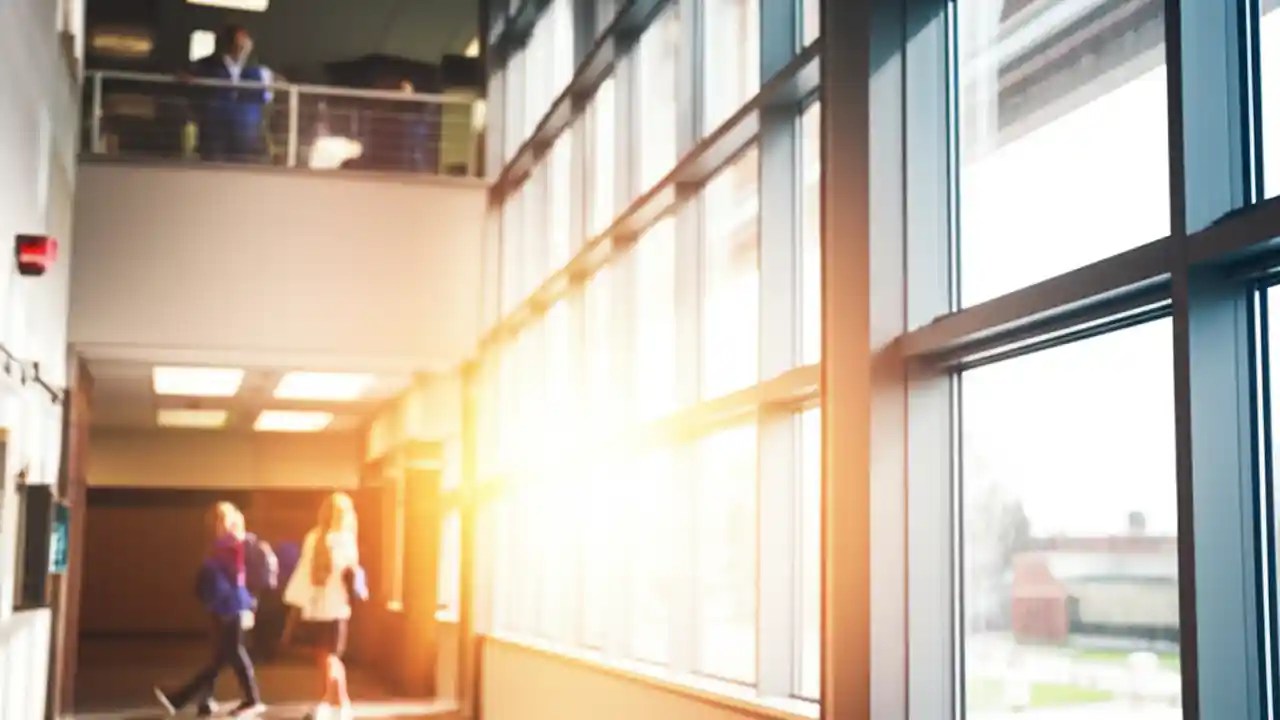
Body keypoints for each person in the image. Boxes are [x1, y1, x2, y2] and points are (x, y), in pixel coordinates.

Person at [154, 502, 268, 718]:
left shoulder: (230, 544)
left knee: (231, 653)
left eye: (221, 519)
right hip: (228, 604)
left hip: (229, 605)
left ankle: (250, 699)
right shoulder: (229, 543)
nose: (217, 524)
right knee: (223, 655)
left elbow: (234, 577)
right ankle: (196, 699)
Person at [284, 492, 368, 720]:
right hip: (338, 607)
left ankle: (332, 704)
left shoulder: (313, 537)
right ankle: (336, 705)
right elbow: (351, 575)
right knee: (331, 658)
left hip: (315, 607)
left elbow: (303, 573)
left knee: (324, 658)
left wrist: (296, 603)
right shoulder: (347, 540)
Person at [189, 24, 273, 163]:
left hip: (247, 137)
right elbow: (191, 87)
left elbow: (266, 102)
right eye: (237, 41)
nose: (242, 46)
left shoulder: (261, 71)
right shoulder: (207, 66)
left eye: (245, 41)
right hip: (215, 135)